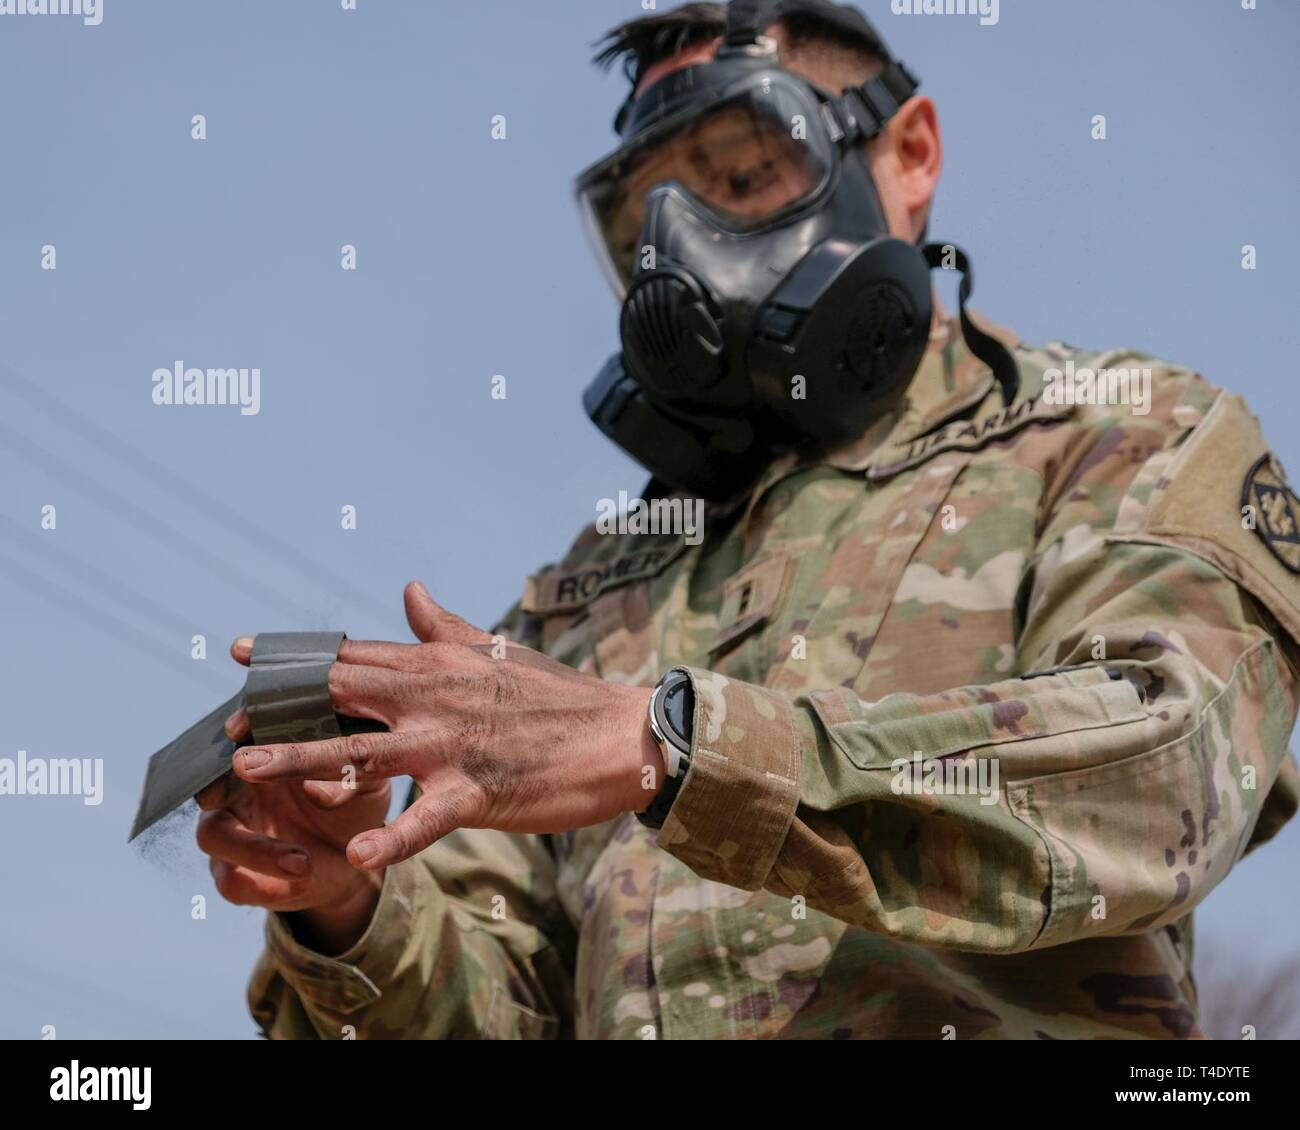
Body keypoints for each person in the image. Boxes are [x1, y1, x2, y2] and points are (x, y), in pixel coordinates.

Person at [194, 0, 1300, 1039]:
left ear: (907, 155)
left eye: (741, 174)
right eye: (644, 223)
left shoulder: (1119, 434)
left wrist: (669, 747)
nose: (678, 250)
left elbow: (1163, 771)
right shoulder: (591, 590)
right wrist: (351, 901)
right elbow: (505, 999)